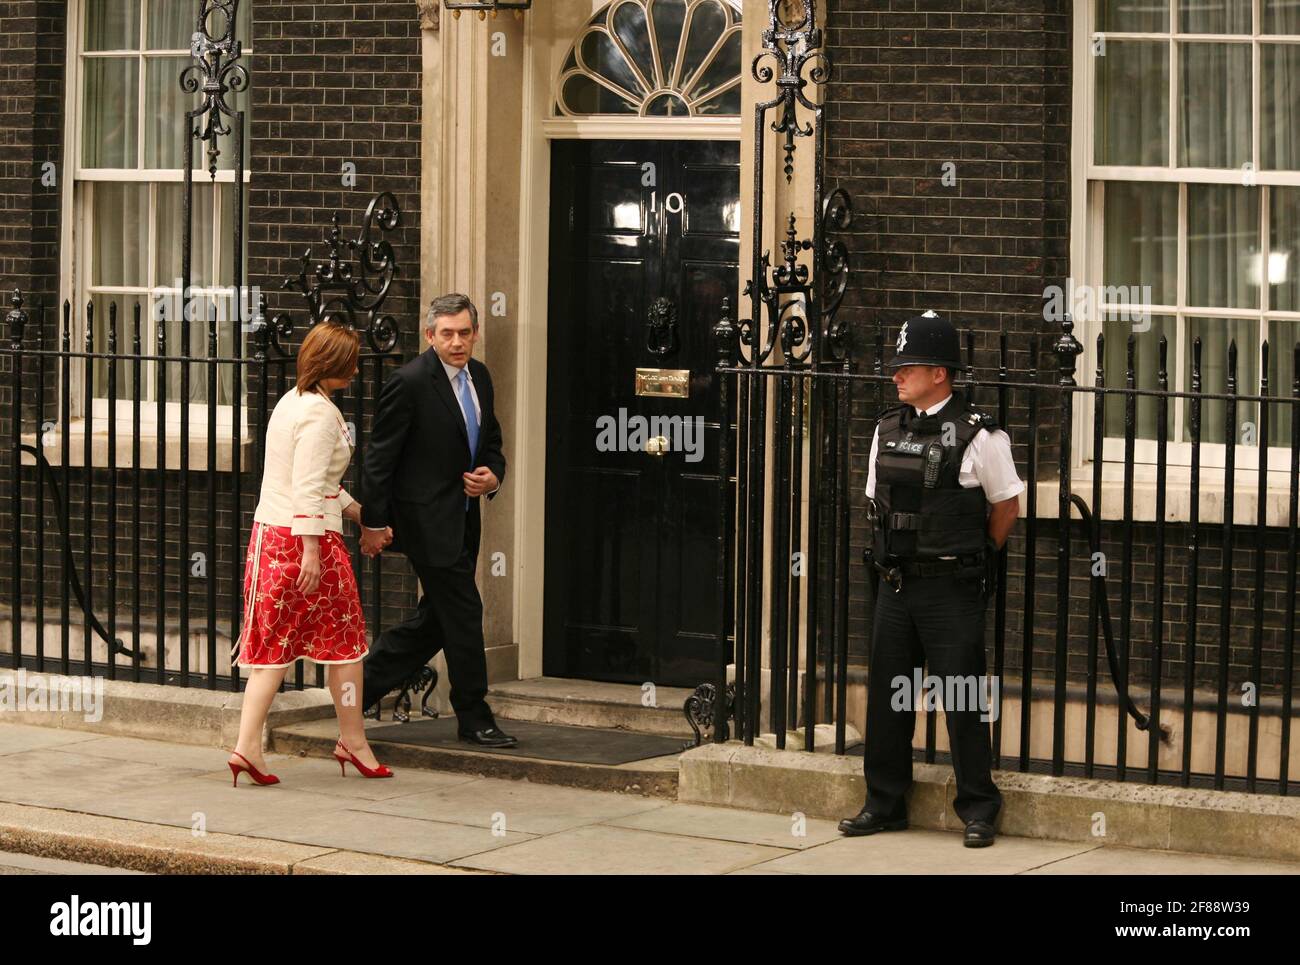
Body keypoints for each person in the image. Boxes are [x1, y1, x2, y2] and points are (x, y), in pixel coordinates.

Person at [839, 310, 1023, 847]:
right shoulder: (886, 428)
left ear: (940, 373)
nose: (896, 376)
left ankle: (979, 808)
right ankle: (885, 802)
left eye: (907, 367)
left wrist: (972, 553)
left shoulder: (981, 435)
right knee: (888, 697)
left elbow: (1007, 505)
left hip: (951, 588)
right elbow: (876, 499)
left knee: (961, 698)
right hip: (897, 584)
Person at [226, 321, 395, 787]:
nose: (357, 369)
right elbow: (307, 488)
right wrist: (313, 552)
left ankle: (247, 748)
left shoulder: (291, 402)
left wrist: (360, 515)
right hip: (304, 541)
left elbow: (320, 485)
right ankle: (352, 740)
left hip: (271, 537)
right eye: (350, 362)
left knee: (272, 648)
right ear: (332, 365)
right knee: (346, 644)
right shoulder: (320, 415)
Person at [357, 293, 516, 747]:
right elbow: (378, 460)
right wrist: (373, 522)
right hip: (425, 520)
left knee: (438, 619)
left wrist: (493, 476)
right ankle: (474, 715)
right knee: (465, 610)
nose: (457, 342)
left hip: (465, 518)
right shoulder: (408, 382)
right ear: (430, 336)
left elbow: (492, 440)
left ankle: (357, 688)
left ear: (475, 333)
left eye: (465, 333)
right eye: (447, 334)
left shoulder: (480, 377)